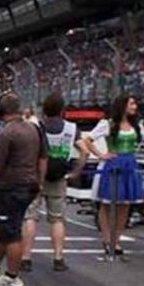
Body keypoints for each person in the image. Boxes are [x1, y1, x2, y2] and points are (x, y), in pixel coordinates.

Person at [79, 94, 144, 260]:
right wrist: (101, 154)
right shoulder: (107, 124)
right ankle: (107, 238)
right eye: (132, 104)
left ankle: (116, 239)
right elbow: (87, 139)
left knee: (125, 204)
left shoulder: (137, 126)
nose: (135, 106)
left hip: (130, 164)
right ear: (123, 105)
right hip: (113, 165)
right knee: (107, 204)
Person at [0, 93, 48, 286]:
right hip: (29, 186)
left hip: (11, 187)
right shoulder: (34, 129)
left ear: (1, 112)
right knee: (10, 227)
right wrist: (40, 181)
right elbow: (43, 158)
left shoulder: (7, 134)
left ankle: (12, 275)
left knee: (10, 232)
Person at [20, 92, 86, 272]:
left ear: (44, 110)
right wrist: (75, 172)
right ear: (62, 110)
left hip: (35, 176)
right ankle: (58, 257)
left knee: (30, 217)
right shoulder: (72, 128)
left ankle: (26, 257)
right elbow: (84, 151)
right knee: (57, 219)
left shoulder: (36, 126)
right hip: (59, 176)